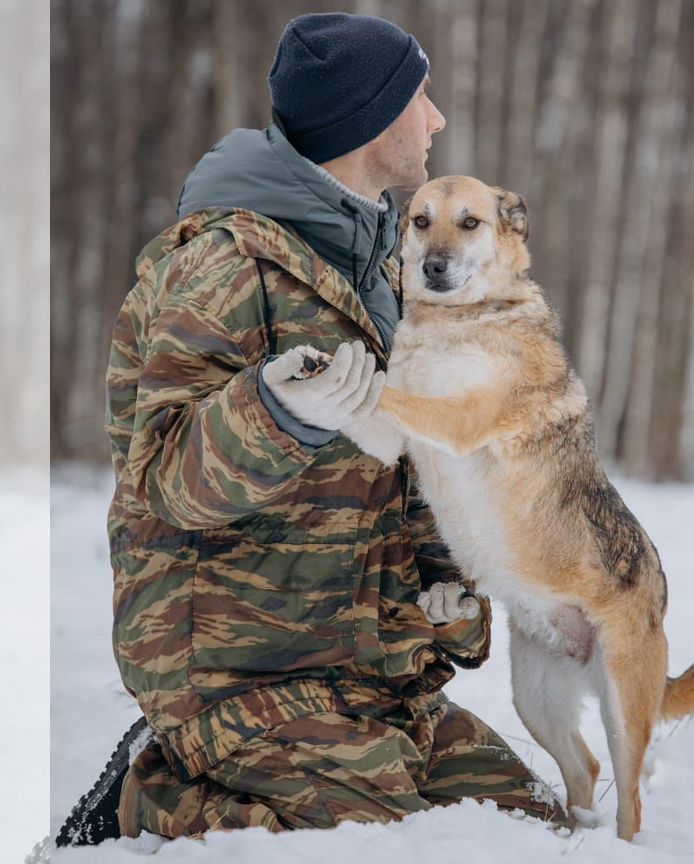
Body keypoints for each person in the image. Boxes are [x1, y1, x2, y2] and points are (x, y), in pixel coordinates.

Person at [56, 12, 566, 846]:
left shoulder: (385, 274)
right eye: (419, 98)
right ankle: (154, 794)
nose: (436, 120)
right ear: (368, 118)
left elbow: (414, 473)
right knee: (380, 844)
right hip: (240, 674)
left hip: (369, 676)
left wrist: (448, 592)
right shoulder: (222, 266)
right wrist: (275, 411)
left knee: (530, 833)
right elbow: (165, 481)